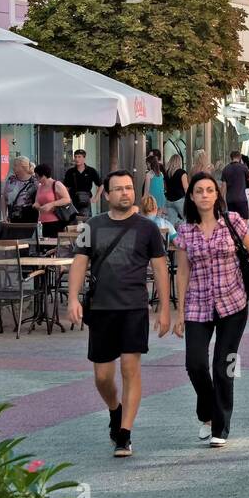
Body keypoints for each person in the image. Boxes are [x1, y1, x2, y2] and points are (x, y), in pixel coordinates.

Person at [67, 170, 171, 458]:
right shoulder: (92, 226)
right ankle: (115, 410)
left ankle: (124, 434)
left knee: (129, 367)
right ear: (108, 194)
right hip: (101, 308)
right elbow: (79, 262)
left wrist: (164, 309)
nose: (125, 193)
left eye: (128, 188)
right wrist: (72, 298)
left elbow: (161, 268)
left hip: (133, 308)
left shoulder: (147, 228)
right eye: (118, 189)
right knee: (102, 377)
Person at [174, 172, 249, 448]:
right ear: (192, 197)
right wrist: (178, 312)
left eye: (210, 190)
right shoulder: (185, 230)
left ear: (216, 195)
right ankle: (207, 411)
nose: (205, 195)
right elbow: (182, 272)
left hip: (233, 304)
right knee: (195, 363)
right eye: (199, 191)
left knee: (223, 366)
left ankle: (220, 426)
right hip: (197, 305)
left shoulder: (233, 221)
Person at [33, 163, 74, 238]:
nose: (36, 179)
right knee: (43, 246)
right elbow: (37, 201)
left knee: (53, 246)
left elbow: (67, 199)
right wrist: (37, 205)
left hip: (55, 220)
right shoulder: (40, 187)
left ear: (43, 176)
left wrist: (51, 204)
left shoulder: (56, 184)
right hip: (42, 221)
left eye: (37, 176)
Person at [63, 150, 104, 218]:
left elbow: (101, 185)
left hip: (85, 200)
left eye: (79, 157)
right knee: (72, 220)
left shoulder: (91, 171)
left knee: (85, 222)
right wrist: (67, 198)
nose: (77, 159)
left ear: (84, 158)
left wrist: (96, 197)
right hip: (72, 200)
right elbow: (66, 187)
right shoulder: (70, 172)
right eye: (75, 157)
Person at [3, 156, 39, 224]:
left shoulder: (35, 181)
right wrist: (4, 216)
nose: (13, 167)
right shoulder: (11, 179)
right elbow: (4, 198)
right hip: (13, 216)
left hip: (30, 216)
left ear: (23, 167)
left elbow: (40, 199)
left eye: (15, 165)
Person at [221, 151, 249, 222]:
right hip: (241, 199)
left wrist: (222, 199)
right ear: (240, 157)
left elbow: (223, 187)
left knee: (232, 222)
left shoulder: (225, 169)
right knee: (244, 221)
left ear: (231, 158)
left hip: (230, 200)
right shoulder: (243, 168)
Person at [164, 154, 188, 222]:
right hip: (180, 200)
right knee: (187, 219)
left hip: (169, 200)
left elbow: (165, 187)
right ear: (179, 162)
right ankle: (185, 232)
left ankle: (172, 233)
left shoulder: (167, 173)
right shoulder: (182, 173)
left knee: (171, 223)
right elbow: (186, 188)